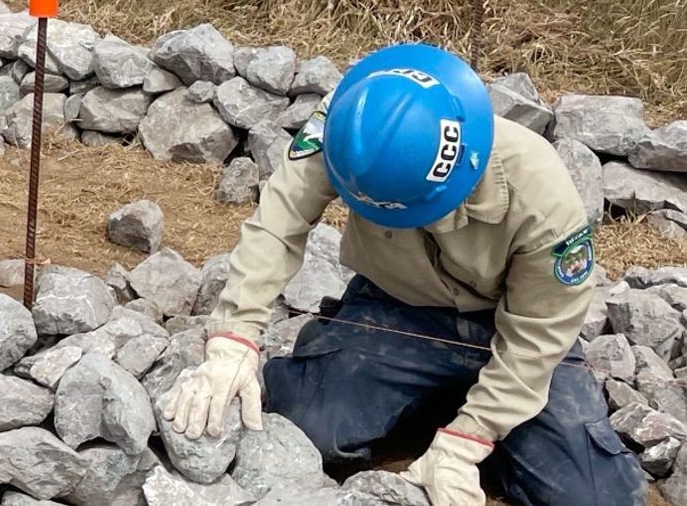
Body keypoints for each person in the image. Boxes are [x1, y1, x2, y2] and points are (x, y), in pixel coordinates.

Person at [162, 43, 647, 506]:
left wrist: (468, 440)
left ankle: (463, 425)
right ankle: (426, 407)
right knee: (305, 427)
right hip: (398, 309)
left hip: (508, 328)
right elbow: (280, 218)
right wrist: (234, 336)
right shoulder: (350, 122)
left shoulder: (542, 193)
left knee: (598, 495)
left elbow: (540, 333)